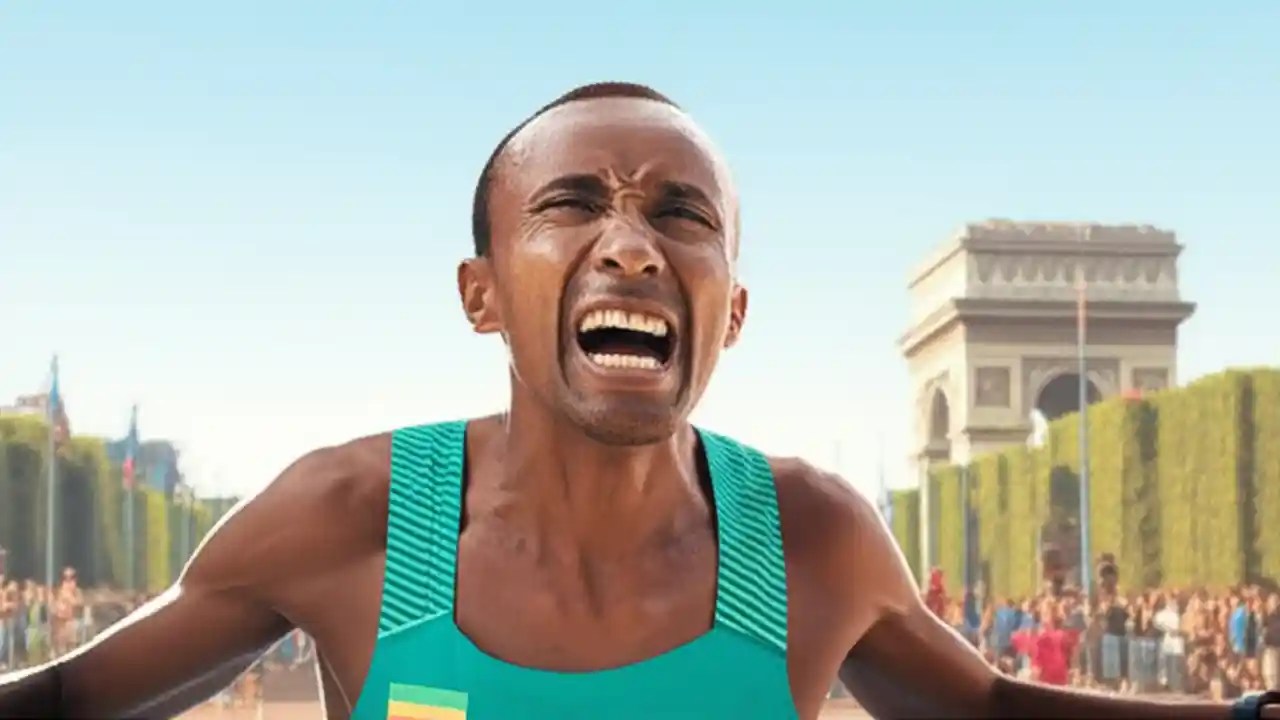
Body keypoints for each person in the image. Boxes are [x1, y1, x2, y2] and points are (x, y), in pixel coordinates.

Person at [0, 82, 1277, 719]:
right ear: (482, 290)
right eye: (571, 204)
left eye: (681, 213)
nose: (628, 244)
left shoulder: (809, 532)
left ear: (727, 310)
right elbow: (65, 702)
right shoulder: (348, 510)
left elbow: (989, 711)